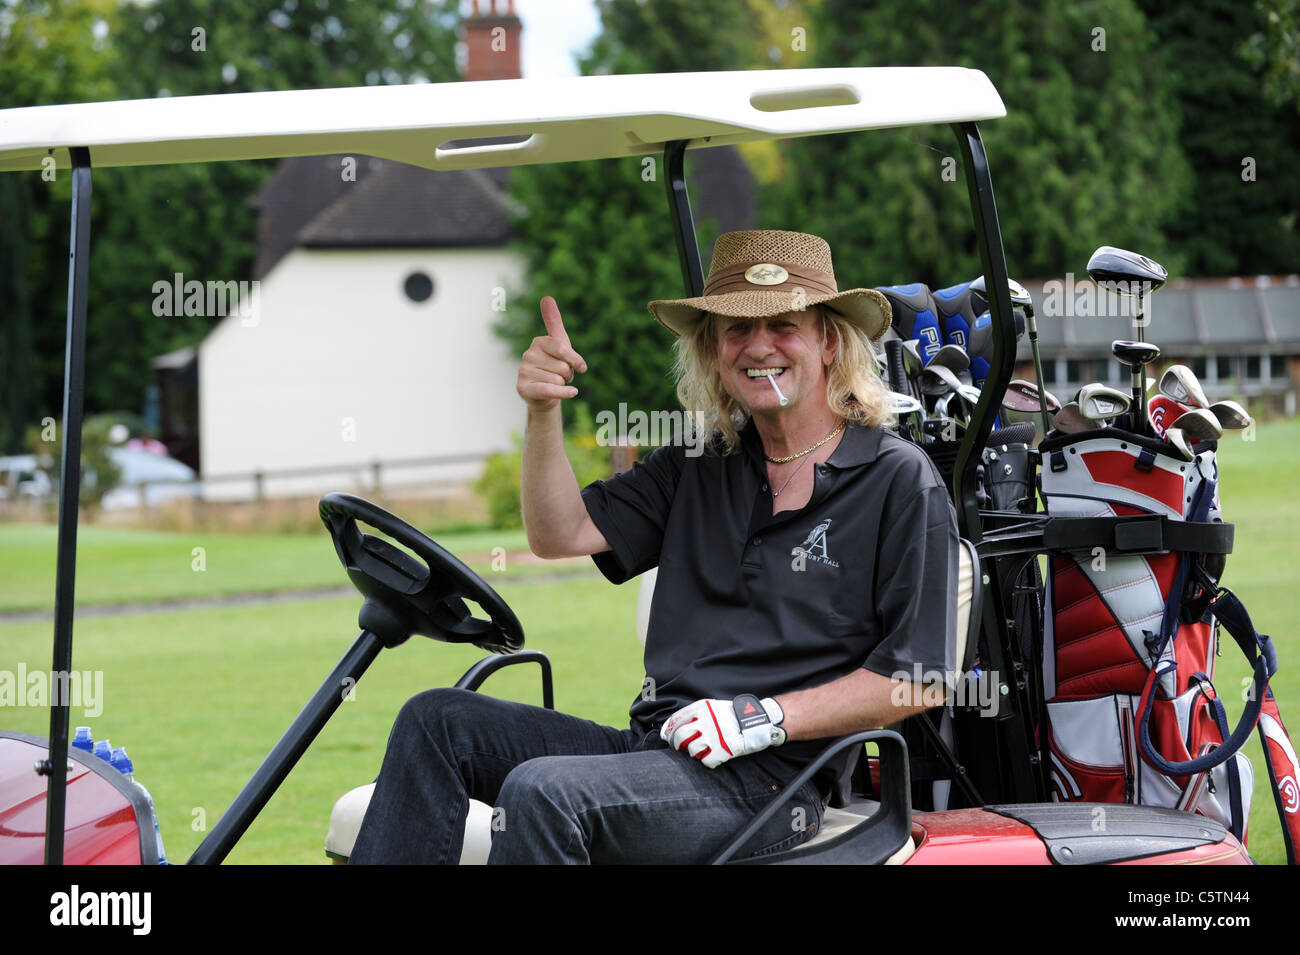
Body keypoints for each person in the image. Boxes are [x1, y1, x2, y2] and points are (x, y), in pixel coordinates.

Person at [349, 229, 958, 865]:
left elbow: (919, 681)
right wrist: (542, 411)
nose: (759, 347)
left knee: (542, 791)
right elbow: (559, 533)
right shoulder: (700, 461)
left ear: (829, 342)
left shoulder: (897, 479)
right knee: (435, 722)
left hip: (774, 784)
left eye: (784, 325)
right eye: (736, 329)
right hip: (656, 752)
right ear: (714, 349)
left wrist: (761, 717)